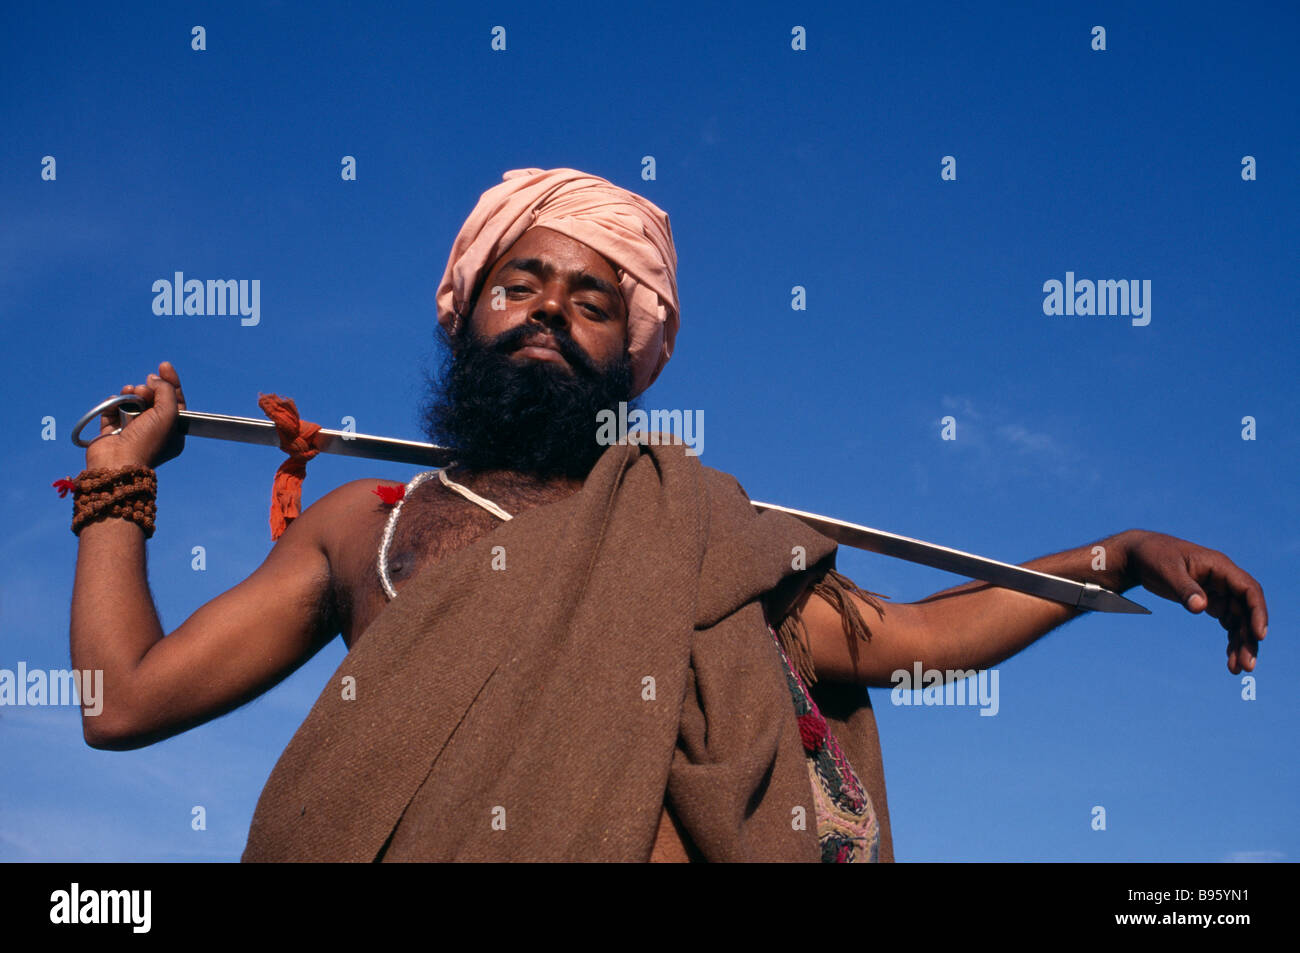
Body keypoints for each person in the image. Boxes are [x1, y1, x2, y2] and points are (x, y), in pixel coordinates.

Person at [66, 168, 1268, 863]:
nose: (548, 312)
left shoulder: (704, 534)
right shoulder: (370, 522)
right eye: (517, 283)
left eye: (592, 300)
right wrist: (123, 488)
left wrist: (1109, 556)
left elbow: (916, 639)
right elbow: (122, 702)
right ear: (467, 311)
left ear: (632, 355)